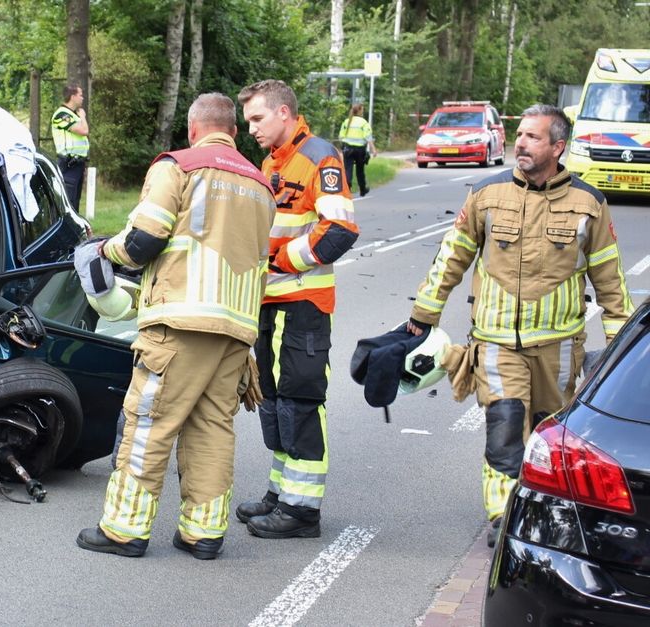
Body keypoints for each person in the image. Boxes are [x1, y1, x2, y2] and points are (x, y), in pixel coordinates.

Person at [406, 104, 632, 546]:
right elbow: (453, 255)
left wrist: (618, 344)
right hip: (495, 342)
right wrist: (423, 313)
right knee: (505, 422)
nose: (520, 143)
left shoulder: (589, 203)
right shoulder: (487, 193)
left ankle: (542, 508)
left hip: (560, 345)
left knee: (550, 430)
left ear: (558, 147)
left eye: (532, 137)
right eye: (520, 135)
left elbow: (609, 277)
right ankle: (504, 516)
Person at [75, 93, 275, 559]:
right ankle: (203, 534)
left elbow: (144, 240)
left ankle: (124, 530)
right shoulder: (260, 184)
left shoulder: (178, 167)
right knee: (212, 429)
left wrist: (103, 252)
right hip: (237, 333)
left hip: (180, 323)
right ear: (233, 130)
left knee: (149, 424)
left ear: (192, 127)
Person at [235, 79, 360, 539]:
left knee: (301, 403)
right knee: (274, 402)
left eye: (257, 118)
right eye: (247, 120)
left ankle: (302, 512)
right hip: (271, 302)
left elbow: (340, 230)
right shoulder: (271, 162)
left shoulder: (320, 157)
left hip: (304, 302)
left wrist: (283, 261)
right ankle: (281, 494)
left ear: (284, 113)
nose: (251, 129)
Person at [51, 83, 90, 211]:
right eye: (80, 95)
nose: (82, 98)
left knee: (75, 201)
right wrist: (83, 117)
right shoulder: (61, 115)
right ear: (72, 96)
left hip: (78, 163)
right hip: (69, 163)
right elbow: (84, 131)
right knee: (69, 201)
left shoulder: (72, 115)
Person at [338, 103, 376, 197]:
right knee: (360, 170)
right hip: (360, 150)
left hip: (347, 149)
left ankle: (347, 189)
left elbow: (341, 136)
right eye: (362, 109)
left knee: (348, 169)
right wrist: (373, 150)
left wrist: (341, 148)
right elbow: (368, 137)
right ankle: (363, 190)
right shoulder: (363, 122)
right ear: (359, 111)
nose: (363, 111)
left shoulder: (347, 121)